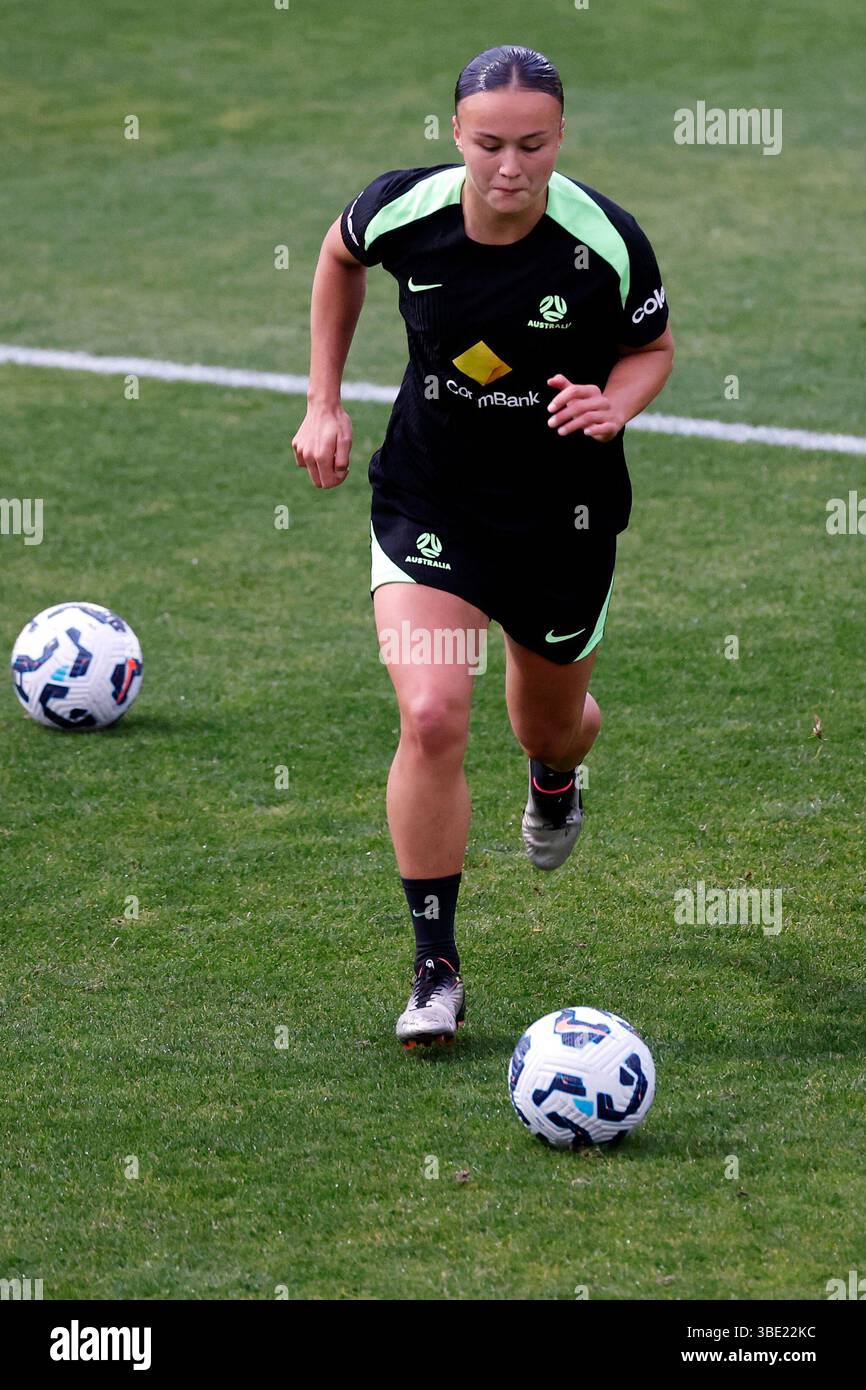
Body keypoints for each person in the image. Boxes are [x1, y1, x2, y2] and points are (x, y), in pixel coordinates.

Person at [292, 44, 674, 1049]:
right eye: (490, 144)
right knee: (429, 714)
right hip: (431, 500)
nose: (511, 167)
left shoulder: (602, 242)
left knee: (549, 727)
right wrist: (322, 401)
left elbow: (651, 348)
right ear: (454, 134)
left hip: (563, 521)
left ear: (561, 137)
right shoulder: (400, 211)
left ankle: (552, 779)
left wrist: (611, 401)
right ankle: (435, 968)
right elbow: (337, 257)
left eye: (534, 145)